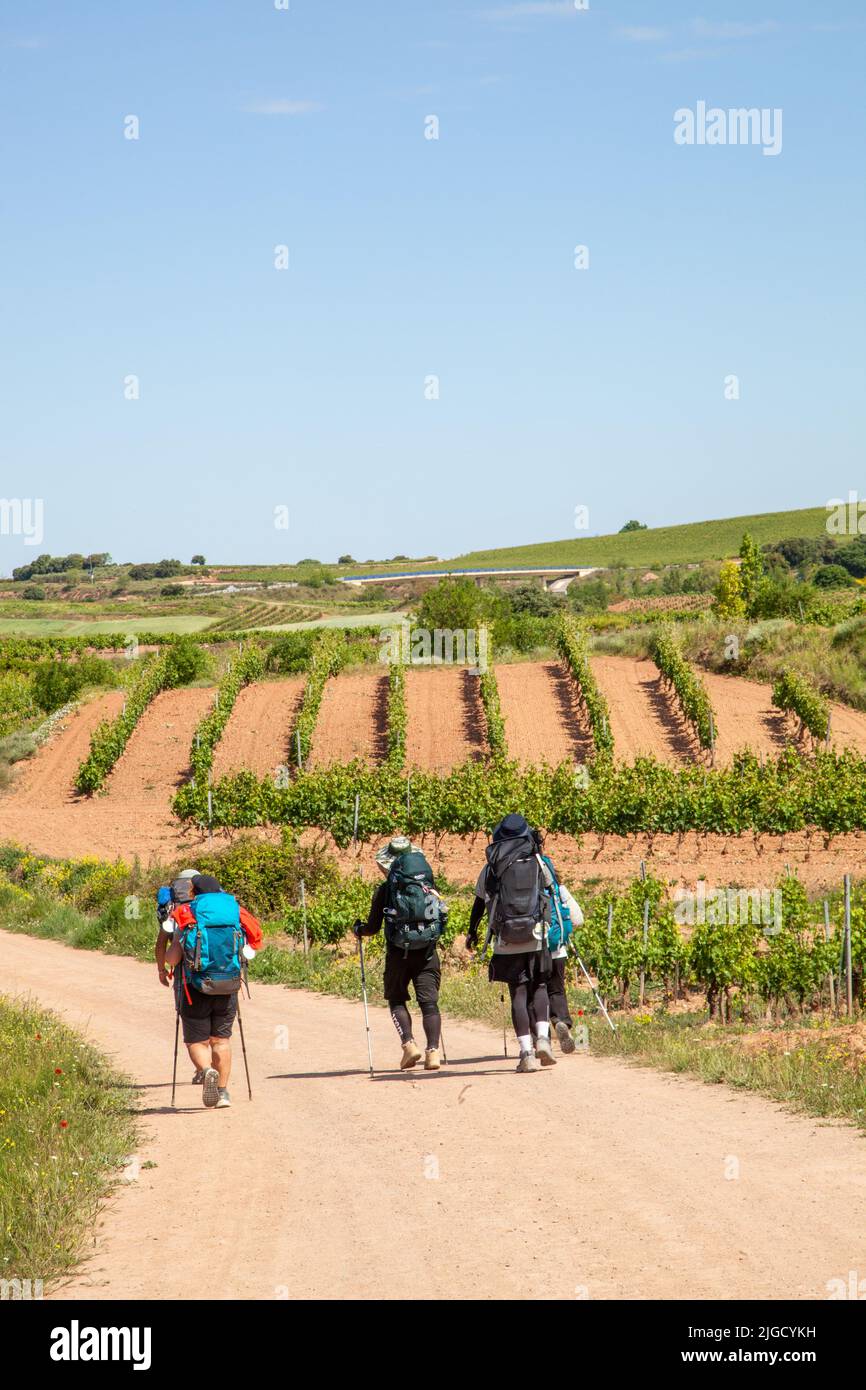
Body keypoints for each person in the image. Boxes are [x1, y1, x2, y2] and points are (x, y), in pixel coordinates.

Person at [162, 873, 262, 1109]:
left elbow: (174, 958)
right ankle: (223, 1092)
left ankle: (206, 1071)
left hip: (195, 988)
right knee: (221, 1040)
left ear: (193, 893)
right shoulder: (235, 911)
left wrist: (168, 957)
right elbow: (255, 942)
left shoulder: (186, 913)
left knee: (197, 1040)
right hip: (228, 986)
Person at [465, 813, 555, 1073]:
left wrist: (472, 933)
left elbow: (480, 902)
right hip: (537, 934)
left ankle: (526, 1053)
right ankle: (543, 1040)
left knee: (518, 991)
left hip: (506, 935)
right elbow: (551, 890)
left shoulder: (492, 865)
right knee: (539, 985)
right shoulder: (537, 859)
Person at [354, 835, 448, 1072]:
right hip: (427, 952)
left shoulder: (386, 890)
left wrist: (359, 929)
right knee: (429, 1003)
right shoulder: (428, 884)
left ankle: (408, 1044)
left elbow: (373, 927)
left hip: (398, 953)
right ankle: (433, 1051)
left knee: (396, 999)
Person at [530, 832, 584, 1055]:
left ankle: (538, 1039)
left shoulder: (518, 881)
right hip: (556, 947)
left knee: (534, 992)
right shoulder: (555, 884)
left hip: (531, 948)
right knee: (557, 990)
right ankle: (561, 1021)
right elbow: (578, 918)